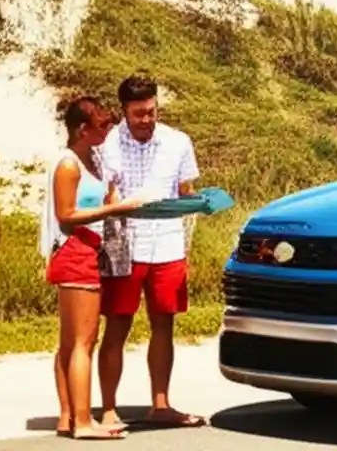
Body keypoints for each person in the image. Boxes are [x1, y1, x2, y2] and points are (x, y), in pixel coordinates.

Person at [96, 73, 207, 430]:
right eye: (138, 113)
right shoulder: (109, 142)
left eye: (151, 111)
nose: (146, 120)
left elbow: (185, 189)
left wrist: (200, 203)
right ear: (124, 111)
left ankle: (161, 404)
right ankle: (109, 408)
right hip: (124, 243)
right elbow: (105, 193)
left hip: (169, 242)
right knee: (118, 324)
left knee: (164, 323)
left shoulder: (177, 141)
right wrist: (123, 204)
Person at [41, 96, 149, 441]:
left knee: (71, 341)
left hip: (88, 249)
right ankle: (84, 422)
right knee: (83, 342)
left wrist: (118, 205)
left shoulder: (93, 159)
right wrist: (113, 211)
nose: (108, 130)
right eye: (102, 125)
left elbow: (97, 201)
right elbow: (66, 214)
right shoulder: (69, 164)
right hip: (75, 251)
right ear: (81, 129)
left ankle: (68, 416)